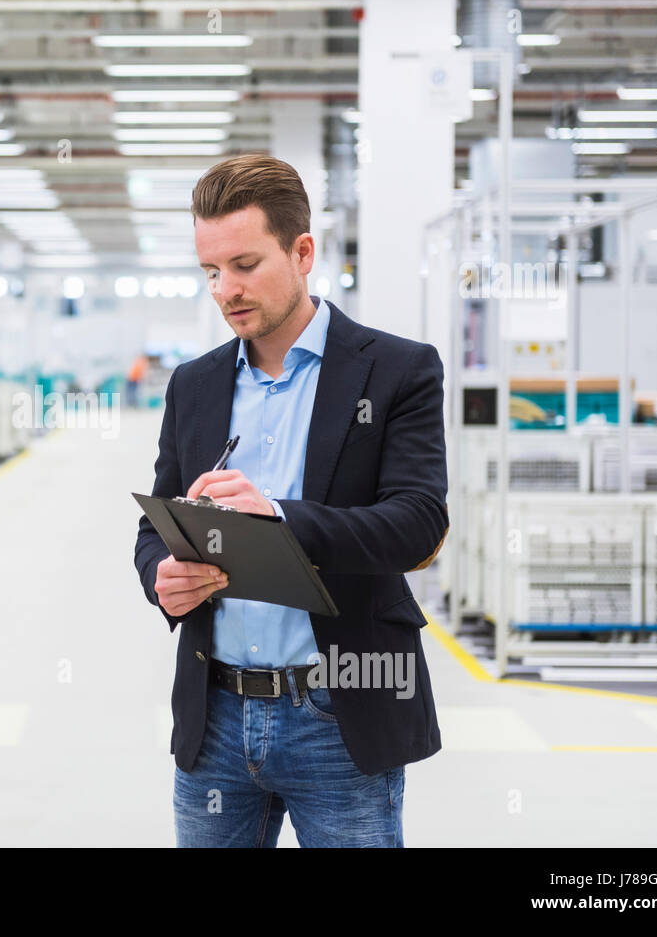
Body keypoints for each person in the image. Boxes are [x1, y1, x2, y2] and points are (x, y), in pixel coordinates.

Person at [133, 153, 449, 848]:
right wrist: (163, 576)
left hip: (338, 714)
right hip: (215, 715)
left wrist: (278, 517)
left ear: (303, 252)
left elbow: (419, 521)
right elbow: (153, 524)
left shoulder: (397, 370)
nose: (226, 290)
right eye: (212, 271)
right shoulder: (195, 385)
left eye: (245, 264)